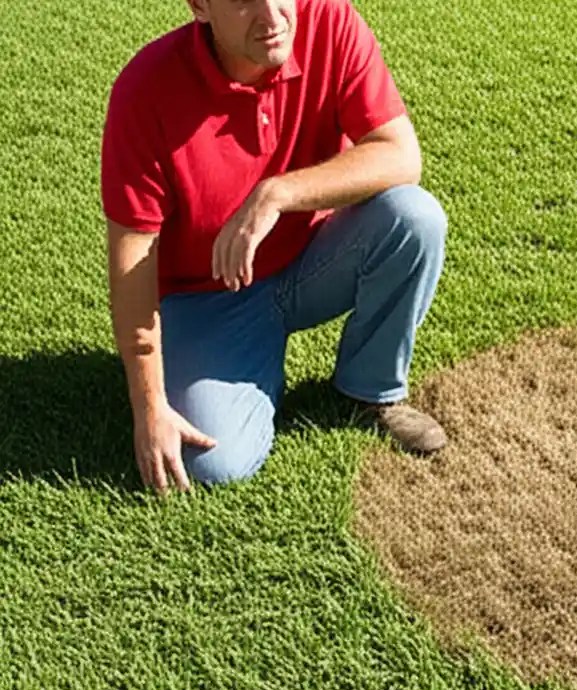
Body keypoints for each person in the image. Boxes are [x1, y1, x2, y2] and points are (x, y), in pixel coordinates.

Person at [100, 0, 448, 496]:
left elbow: (400, 155)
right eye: (243, 2)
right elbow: (132, 261)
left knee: (414, 218)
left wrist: (276, 194)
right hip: (206, 298)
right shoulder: (146, 90)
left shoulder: (330, 21)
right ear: (200, 6)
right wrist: (149, 405)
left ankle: (367, 390)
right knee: (212, 463)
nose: (273, 15)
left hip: (312, 260)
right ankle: (241, 368)